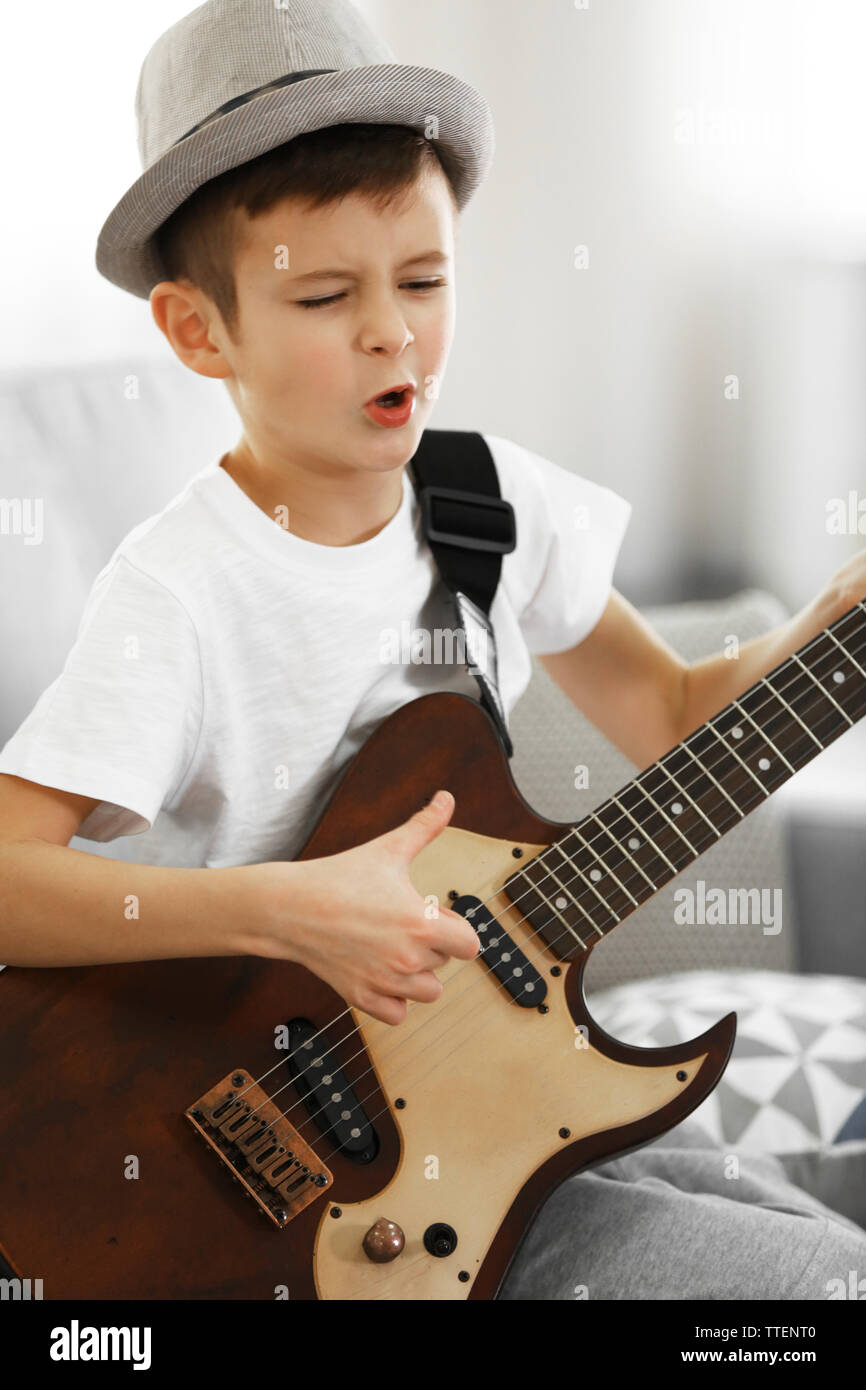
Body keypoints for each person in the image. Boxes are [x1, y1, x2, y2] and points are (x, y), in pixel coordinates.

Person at [1, 0, 864, 1301]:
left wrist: (820, 641)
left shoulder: (485, 503)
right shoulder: (181, 589)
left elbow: (672, 714)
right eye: (323, 294)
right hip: (265, 1186)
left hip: (504, 1103)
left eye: (421, 279)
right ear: (198, 330)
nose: (391, 332)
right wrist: (283, 907)